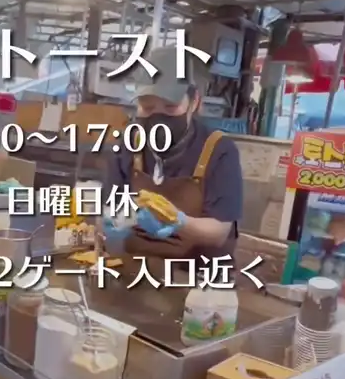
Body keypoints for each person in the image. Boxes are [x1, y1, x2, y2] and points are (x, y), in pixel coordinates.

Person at [103, 45, 243, 269]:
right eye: (148, 108)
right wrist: (114, 221)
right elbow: (110, 206)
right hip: (139, 270)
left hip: (198, 278)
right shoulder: (128, 146)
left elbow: (220, 231)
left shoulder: (220, 151)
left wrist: (180, 222)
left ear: (194, 102)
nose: (158, 117)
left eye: (170, 107)